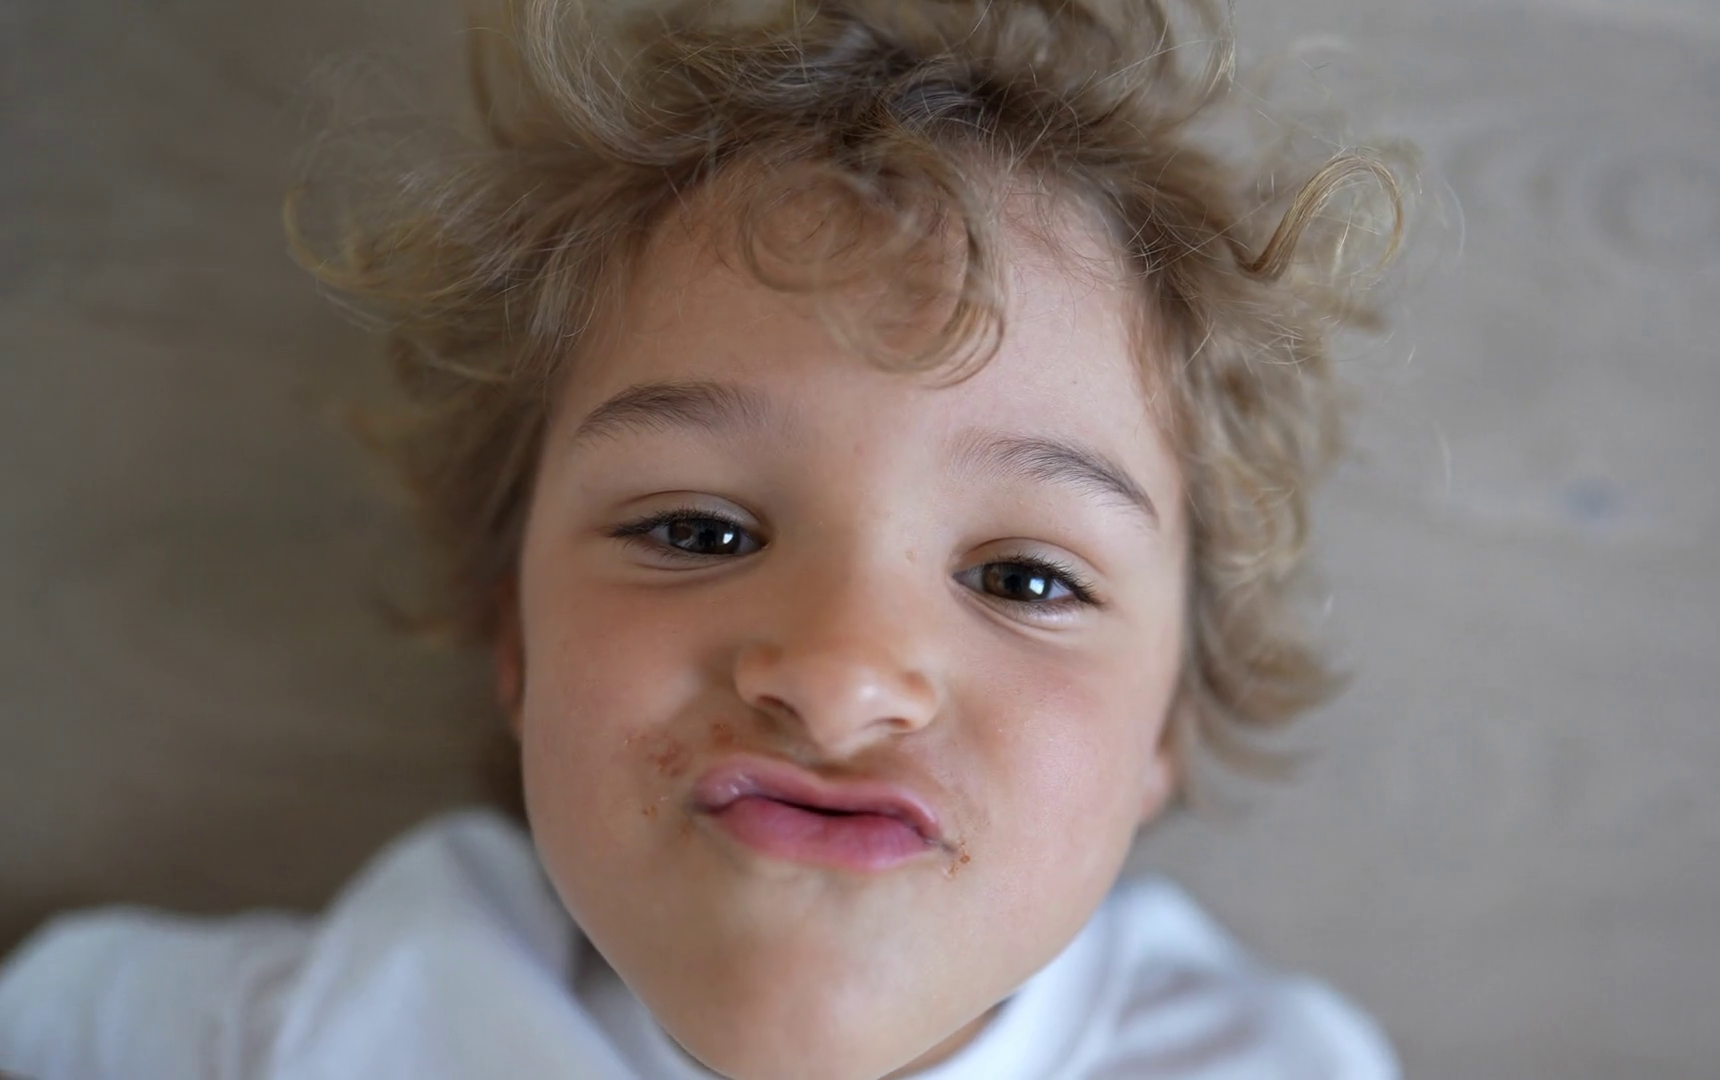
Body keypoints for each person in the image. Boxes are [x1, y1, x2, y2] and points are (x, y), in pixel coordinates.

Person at [0, 1, 1409, 1076]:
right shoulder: (289, 1025)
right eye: (696, 528)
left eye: (1025, 577)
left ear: (1169, 718)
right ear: (516, 636)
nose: (842, 676)